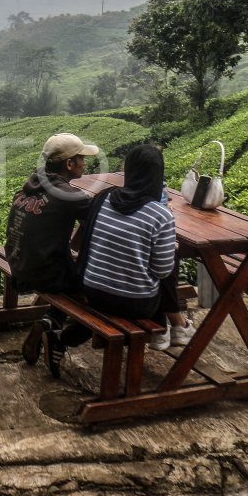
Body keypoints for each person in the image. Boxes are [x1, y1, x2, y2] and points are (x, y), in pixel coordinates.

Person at [78, 143, 194, 354]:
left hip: (92, 291)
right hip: (134, 304)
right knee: (166, 264)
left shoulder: (104, 198)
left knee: (147, 258)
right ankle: (170, 328)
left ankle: (170, 330)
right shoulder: (160, 215)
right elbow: (162, 271)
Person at [6, 133, 98, 366]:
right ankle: (60, 337)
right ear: (69, 164)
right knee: (99, 294)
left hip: (18, 264)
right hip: (43, 272)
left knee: (71, 268)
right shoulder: (68, 196)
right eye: (80, 159)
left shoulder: (33, 183)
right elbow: (101, 221)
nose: (84, 164)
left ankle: (49, 322)